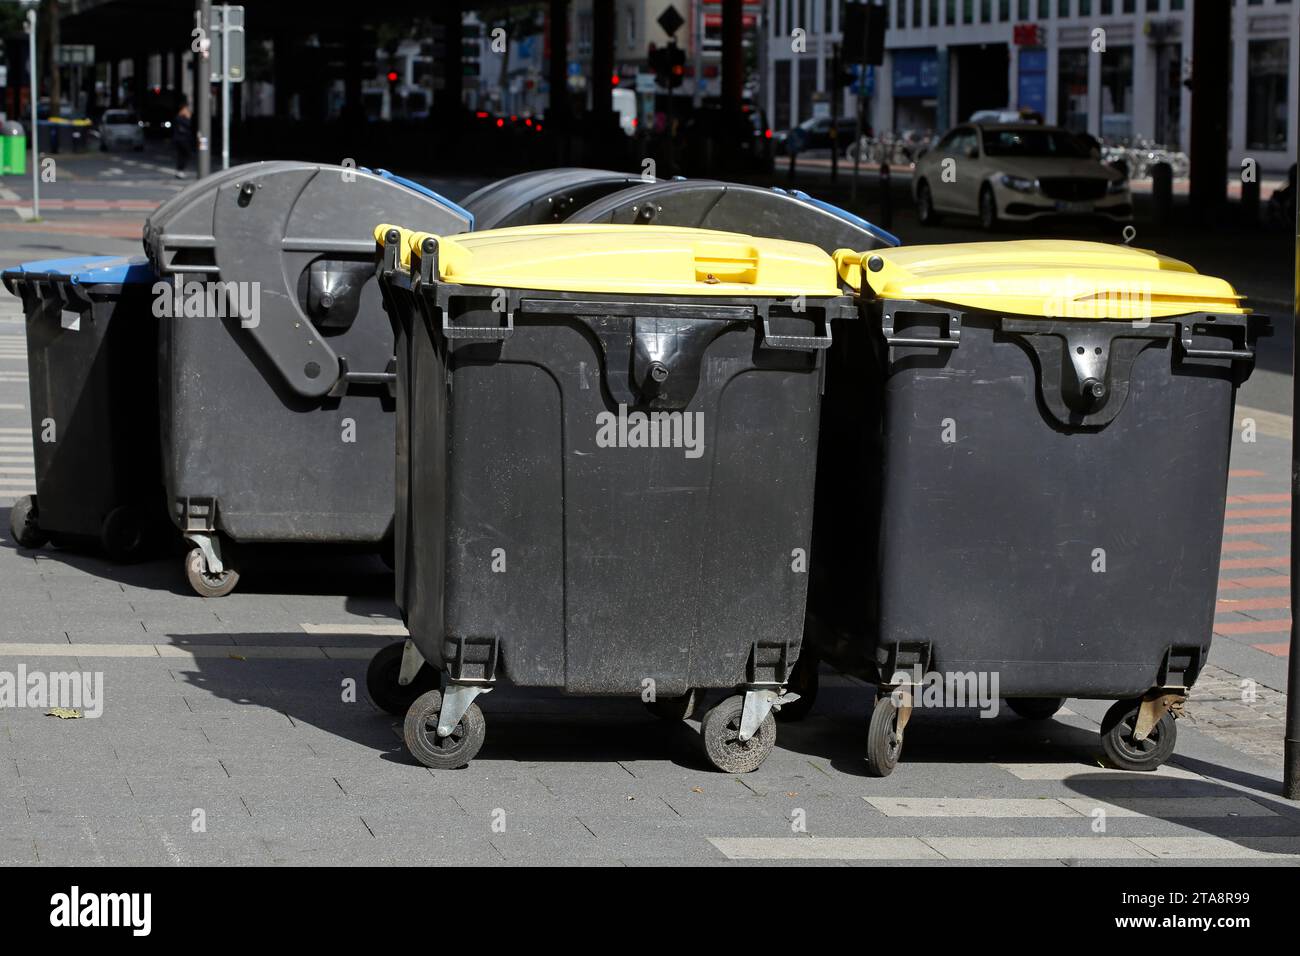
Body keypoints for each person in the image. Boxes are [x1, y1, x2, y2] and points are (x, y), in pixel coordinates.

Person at [173, 100, 193, 179]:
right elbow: (188, 125)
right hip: (182, 139)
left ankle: (180, 170)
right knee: (185, 154)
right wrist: (188, 117)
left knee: (182, 155)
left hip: (181, 139)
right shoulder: (181, 117)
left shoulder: (179, 116)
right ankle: (180, 170)